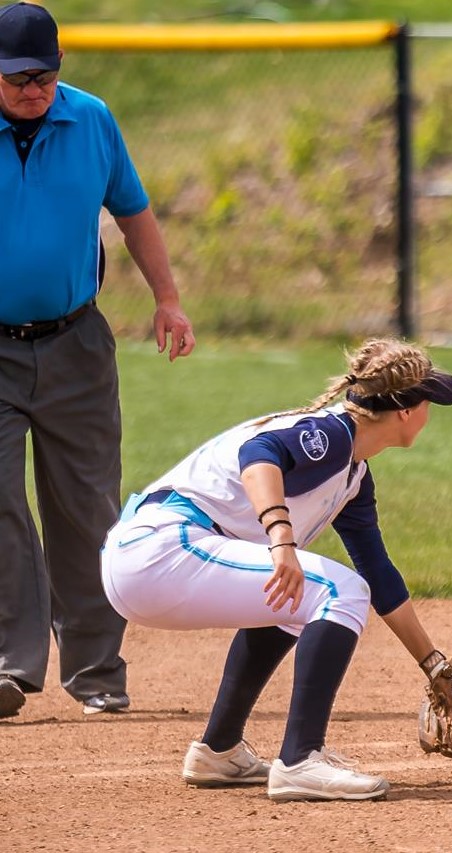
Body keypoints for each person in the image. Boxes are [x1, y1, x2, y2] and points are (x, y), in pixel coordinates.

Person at [101, 339, 452, 801]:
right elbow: (258, 456)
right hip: (161, 548)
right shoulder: (331, 436)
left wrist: (435, 667)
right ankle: (300, 760)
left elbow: (380, 575)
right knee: (339, 591)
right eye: (427, 400)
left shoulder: (352, 473)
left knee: (299, 599)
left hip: (158, 557)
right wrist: (281, 540)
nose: (429, 411)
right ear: (405, 411)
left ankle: (219, 750)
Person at [0, 1, 195, 721]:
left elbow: (135, 210)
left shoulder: (91, 119)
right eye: (18, 77)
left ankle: (95, 670)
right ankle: (10, 666)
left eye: (45, 74)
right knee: (0, 506)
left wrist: (168, 298)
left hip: (76, 341)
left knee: (87, 507)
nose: (33, 89)